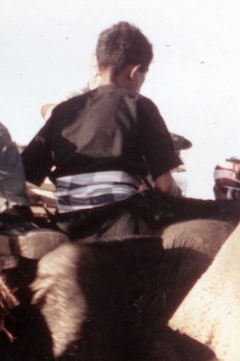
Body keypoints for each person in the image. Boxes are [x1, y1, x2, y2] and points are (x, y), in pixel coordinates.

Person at [21, 21, 179, 240]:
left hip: (68, 226)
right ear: (134, 72)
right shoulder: (140, 105)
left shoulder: (63, 111)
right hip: (120, 226)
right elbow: (164, 185)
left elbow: (27, 172)